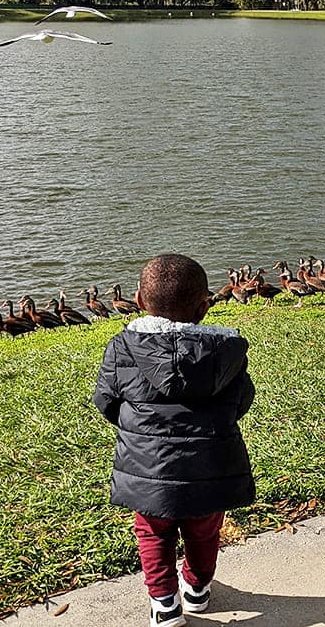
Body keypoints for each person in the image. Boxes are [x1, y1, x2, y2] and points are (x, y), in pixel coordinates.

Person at [93, 253, 255, 627]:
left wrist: (138, 430)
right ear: (204, 306)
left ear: (137, 301)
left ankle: (165, 605)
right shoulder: (227, 353)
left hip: (147, 465)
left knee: (153, 534)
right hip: (210, 465)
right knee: (204, 531)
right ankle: (197, 590)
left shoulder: (122, 347)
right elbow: (240, 401)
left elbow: (106, 400)